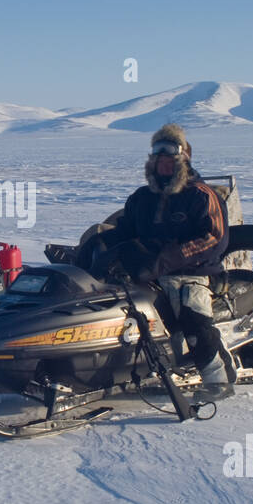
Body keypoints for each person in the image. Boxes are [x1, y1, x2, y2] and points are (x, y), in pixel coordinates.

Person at [85, 123, 235, 396]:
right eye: (159, 160)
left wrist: (165, 260)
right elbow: (125, 231)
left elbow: (214, 238)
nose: (164, 165)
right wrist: (97, 246)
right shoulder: (142, 198)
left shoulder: (201, 196)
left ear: (183, 161)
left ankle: (218, 379)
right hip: (146, 272)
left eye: (170, 161)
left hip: (193, 273)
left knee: (191, 314)